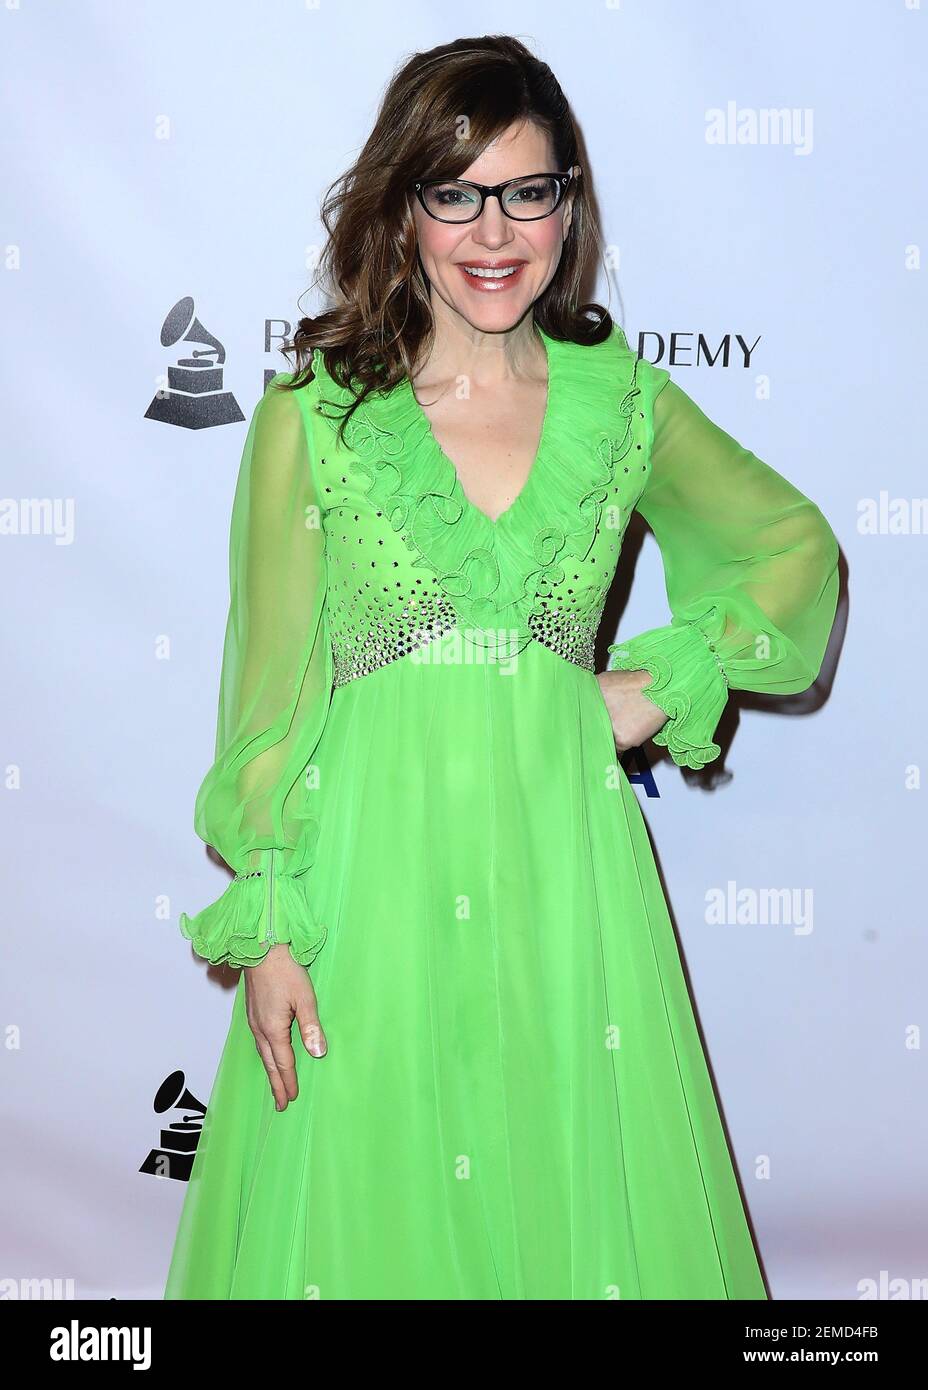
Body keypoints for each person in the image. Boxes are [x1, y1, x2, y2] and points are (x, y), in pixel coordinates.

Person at [164, 35, 839, 1300]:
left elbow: (791, 548)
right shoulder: (312, 418)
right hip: (364, 894)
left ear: (567, 206)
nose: (493, 232)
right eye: (455, 192)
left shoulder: (621, 404)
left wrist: (659, 683)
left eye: (526, 192)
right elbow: (266, 698)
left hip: (563, 884)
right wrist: (268, 928)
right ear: (401, 209)